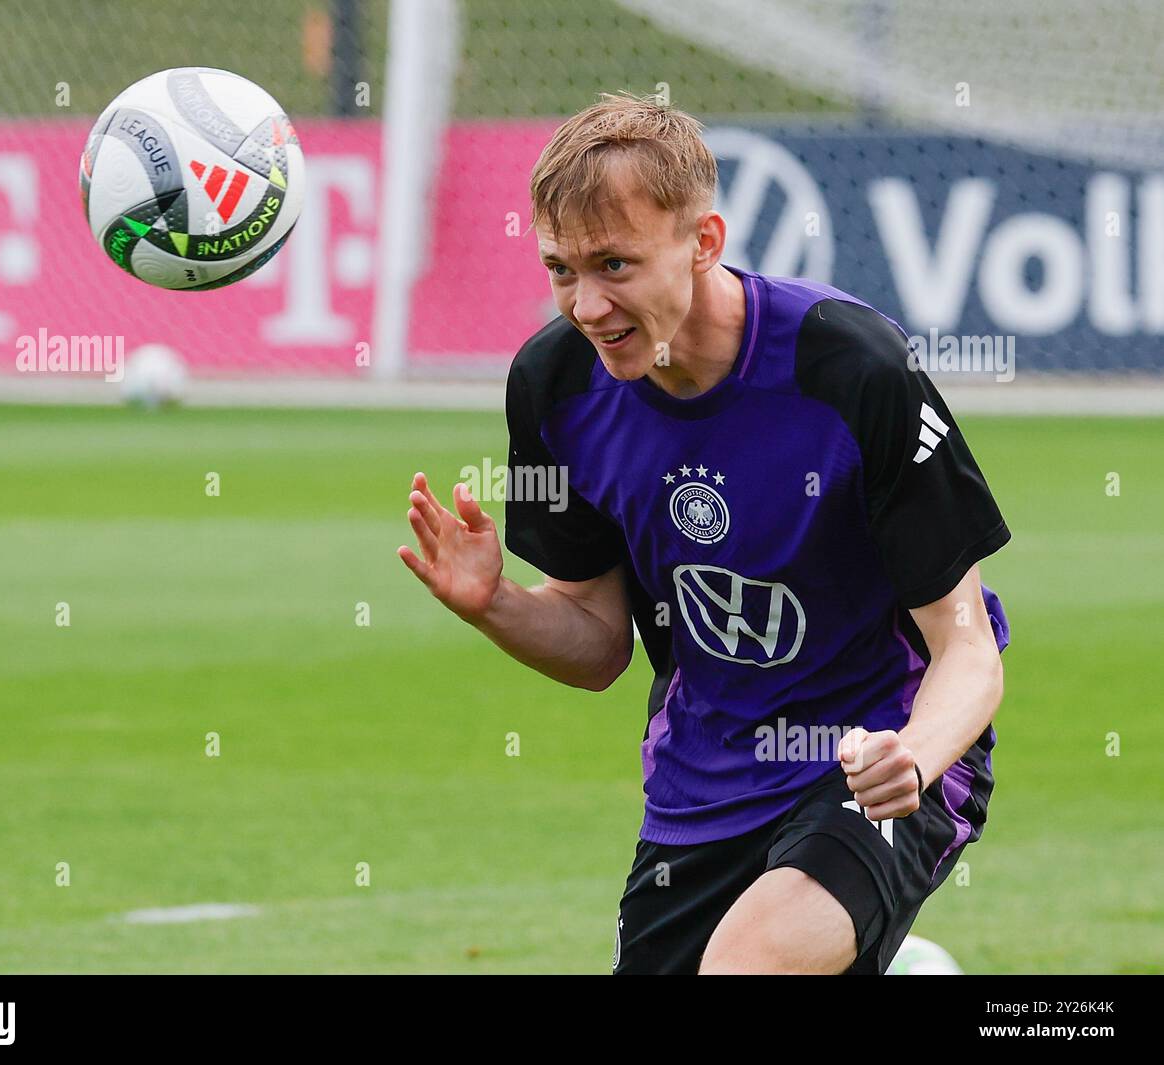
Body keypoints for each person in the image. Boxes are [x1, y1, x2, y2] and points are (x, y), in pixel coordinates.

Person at [397, 93, 1010, 975]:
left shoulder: (851, 367)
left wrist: (912, 756)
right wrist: (494, 602)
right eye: (562, 269)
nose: (588, 303)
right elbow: (599, 642)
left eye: (615, 263)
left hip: (880, 750)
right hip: (705, 779)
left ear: (706, 242)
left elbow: (967, 643)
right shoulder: (553, 385)